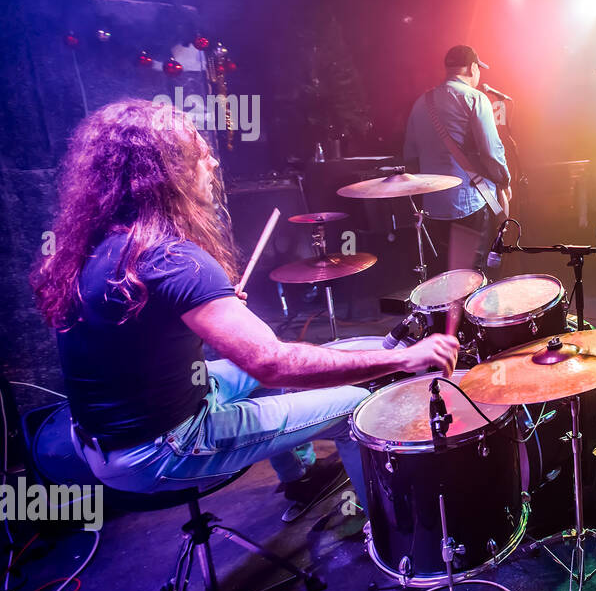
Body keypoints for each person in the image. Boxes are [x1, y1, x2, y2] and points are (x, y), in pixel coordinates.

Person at [32, 100, 459, 512]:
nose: (213, 164)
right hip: (160, 446)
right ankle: (401, 544)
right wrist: (406, 359)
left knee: (333, 355)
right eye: (199, 154)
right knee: (354, 403)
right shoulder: (172, 260)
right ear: (170, 173)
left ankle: (301, 479)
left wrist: (200, 317)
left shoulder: (102, 246)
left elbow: (145, 338)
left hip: (109, 438)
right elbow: (272, 363)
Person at [403, 45, 512, 272]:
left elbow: (410, 155)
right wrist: (504, 180)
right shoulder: (475, 98)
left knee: (444, 276)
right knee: (473, 275)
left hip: (433, 206)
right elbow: (491, 151)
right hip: (468, 203)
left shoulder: (421, 103)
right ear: (473, 68)